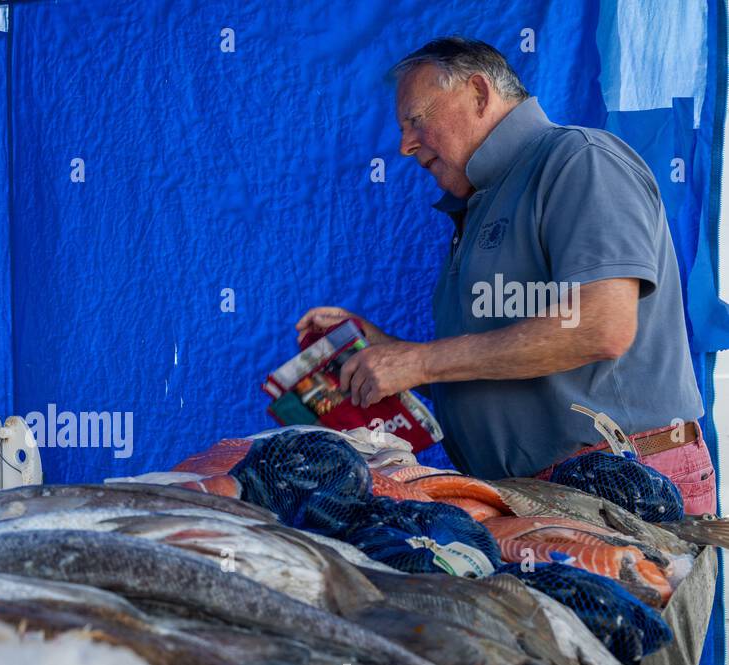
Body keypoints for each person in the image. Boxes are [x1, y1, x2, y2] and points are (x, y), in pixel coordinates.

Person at [297, 37, 715, 515]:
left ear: (478, 93)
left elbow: (602, 326)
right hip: (525, 497)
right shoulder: (479, 204)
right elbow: (493, 364)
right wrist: (391, 352)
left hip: (622, 483)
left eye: (416, 120)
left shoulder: (579, 160)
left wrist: (420, 363)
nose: (406, 145)